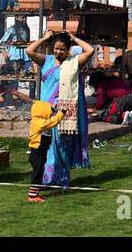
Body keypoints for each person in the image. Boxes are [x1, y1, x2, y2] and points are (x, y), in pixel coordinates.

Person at [25, 30, 93, 191]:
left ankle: (59, 178)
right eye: (56, 48)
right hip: (44, 112)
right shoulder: (46, 60)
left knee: (60, 146)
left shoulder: (74, 62)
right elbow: (29, 51)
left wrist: (75, 38)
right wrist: (44, 38)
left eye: (62, 49)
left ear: (68, 49)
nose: (58, 52)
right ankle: (45, 179)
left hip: (63, 113)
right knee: (44, 146)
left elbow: (90, 50)